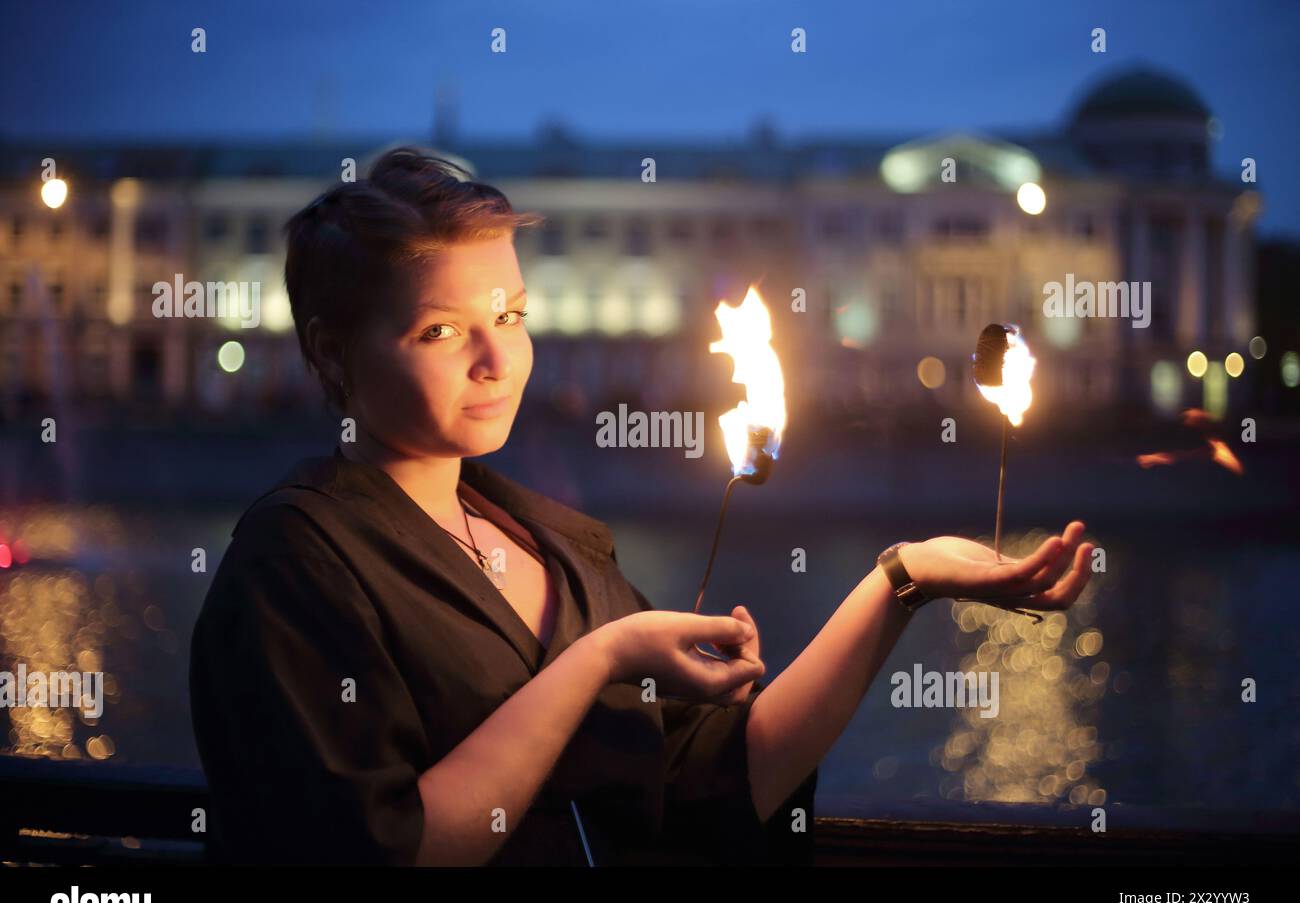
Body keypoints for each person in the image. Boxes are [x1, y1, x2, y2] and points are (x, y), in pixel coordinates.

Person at [188, 147, 1094, 866]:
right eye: (440, 330)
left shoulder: (552, 545)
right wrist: (600, 659)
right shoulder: (295, 561)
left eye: (510, 315)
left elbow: (724, 779)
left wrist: (903, 579)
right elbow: (397, 849)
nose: (497, 360)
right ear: (332, 351)